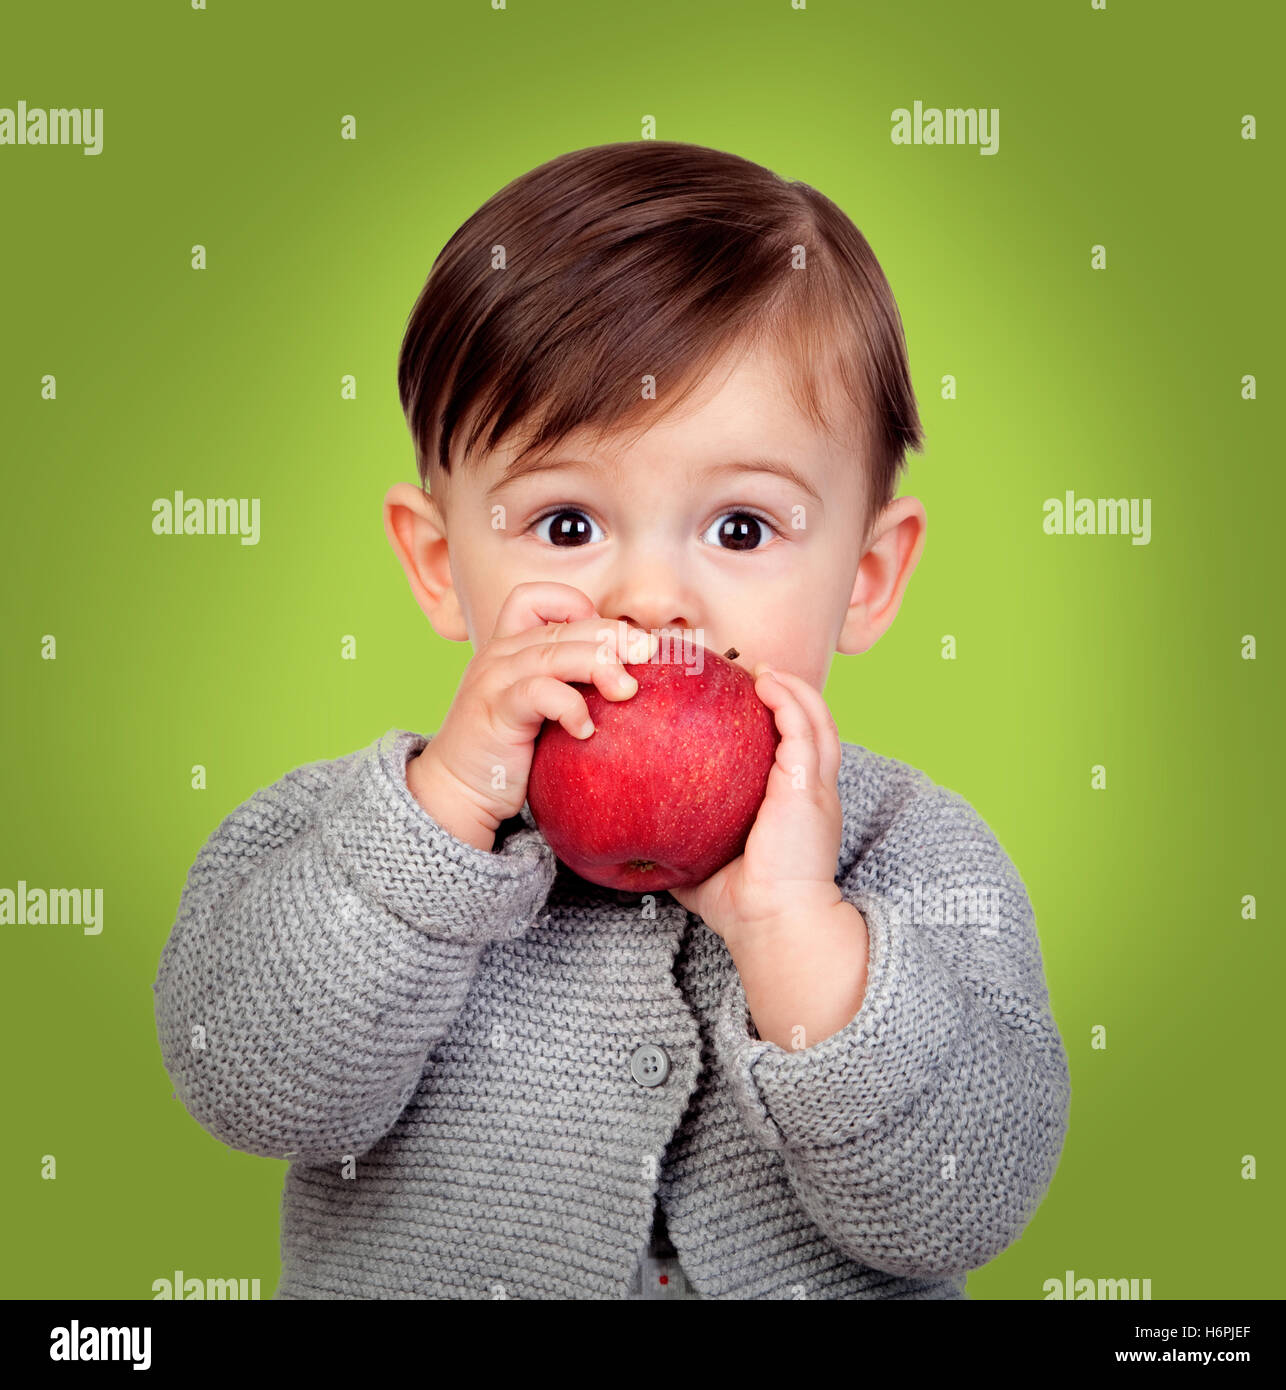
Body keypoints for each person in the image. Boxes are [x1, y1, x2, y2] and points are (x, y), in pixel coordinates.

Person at [154, 139, 1070, 1299]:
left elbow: (962, 1206)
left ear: (870, 575)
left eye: (741, 528)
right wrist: (443, 818)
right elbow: (247, 1086)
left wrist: (797, 933)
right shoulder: (368, 836)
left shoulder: (908, 856)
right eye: (568, 523)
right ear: (439, 565)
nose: (649, 600)